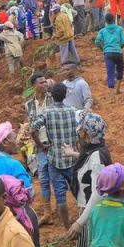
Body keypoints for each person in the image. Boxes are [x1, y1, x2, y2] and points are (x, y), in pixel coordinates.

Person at [65, 112, 113, 247]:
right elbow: (89, 163)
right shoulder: (97, 151)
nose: (79, 133)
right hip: (91, 212)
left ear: (87, 134)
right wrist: (73, 153)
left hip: (92, 214)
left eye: (82, 130)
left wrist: (80, 222)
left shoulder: (97, 157)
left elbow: (98, 193)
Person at [29, 84, 78, 229]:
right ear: (65, 95)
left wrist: (41, 146)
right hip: (72, 157)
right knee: (78, 191)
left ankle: (68, 227)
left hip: (54, 159)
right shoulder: (73, 111)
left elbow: (32, 129)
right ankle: (84, 221)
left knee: (60, 196)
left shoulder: (47, 112)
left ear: (52, 95)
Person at [23, 74, 54, 224]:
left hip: (54, 143)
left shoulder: (53, 98)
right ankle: (47, 212)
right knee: (43, 179)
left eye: (45, 82)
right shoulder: (29, 105)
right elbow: (31, 125)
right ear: (34, 86)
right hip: (40, 145)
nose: (44, 84)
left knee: (60, 177)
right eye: (41, 83)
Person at [95, 13, 124, 98]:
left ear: (106, 21)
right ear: (114, 20)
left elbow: (97, 42)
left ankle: (112, 94)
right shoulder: (120, 29)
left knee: (110, 72)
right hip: (118, 52)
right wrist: (119, 47)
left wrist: (103, 49)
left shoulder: (103, 30)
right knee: (120, 70)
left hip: (108, 53)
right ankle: (118, 89)